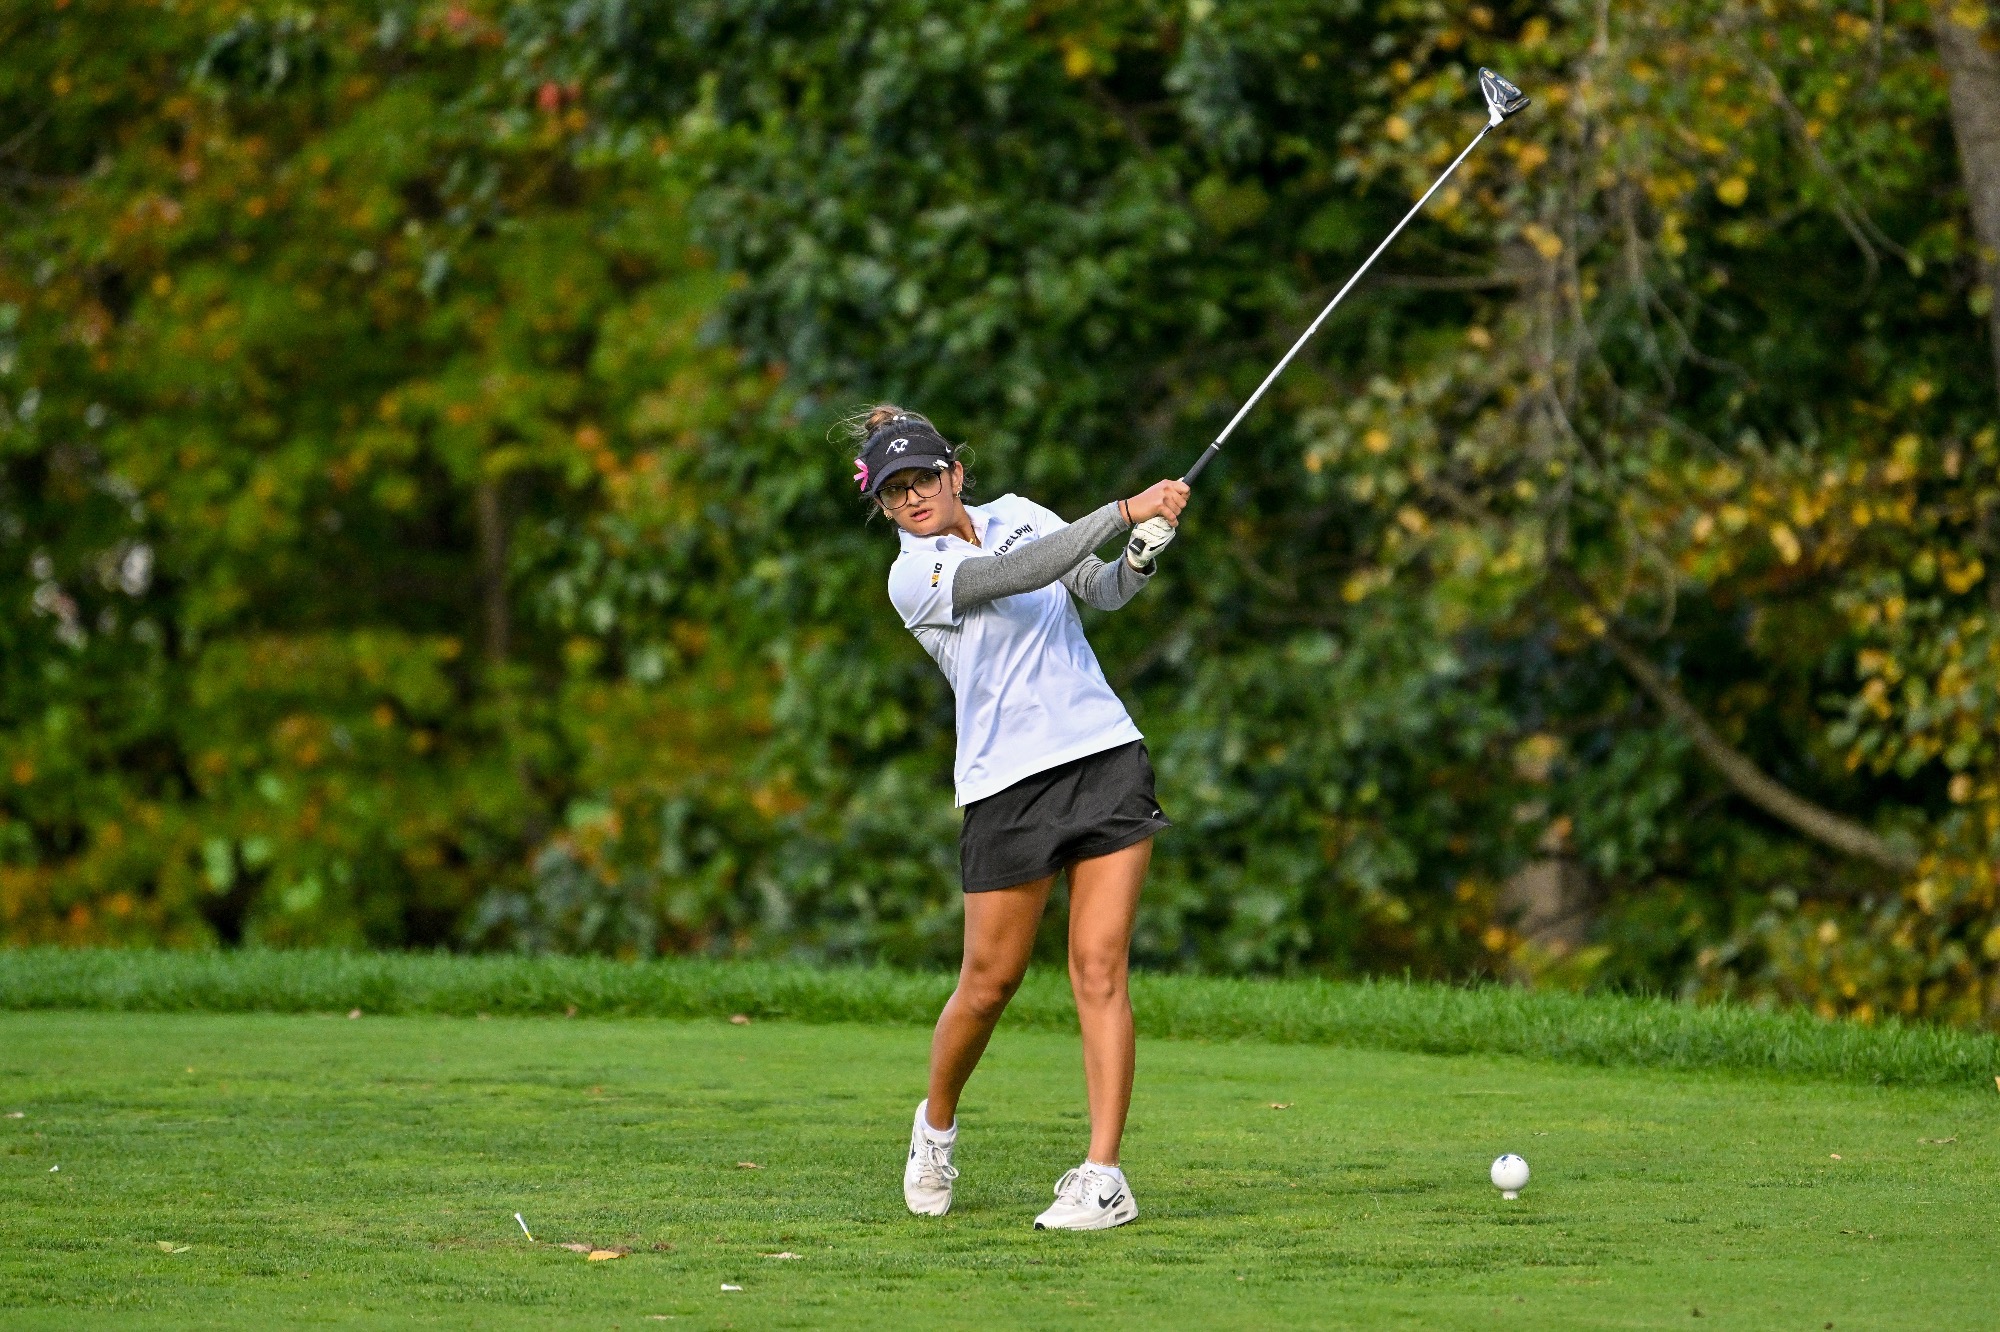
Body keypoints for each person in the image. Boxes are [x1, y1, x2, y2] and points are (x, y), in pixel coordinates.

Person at [848, 404, 1188, 1231]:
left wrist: (1140, 554)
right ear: (884, 505)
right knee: (989, 983)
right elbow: (1018, 575)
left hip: (1104, 755)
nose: (912, 498)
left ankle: (1104, 1177)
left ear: (955, 473)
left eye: (923, 480)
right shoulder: (913, 574)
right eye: (894, 491)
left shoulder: (1021, 513)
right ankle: (935, 1128)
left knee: (1100, 969)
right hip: (1007, 787)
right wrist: (1124, 510)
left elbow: (1097, 590)